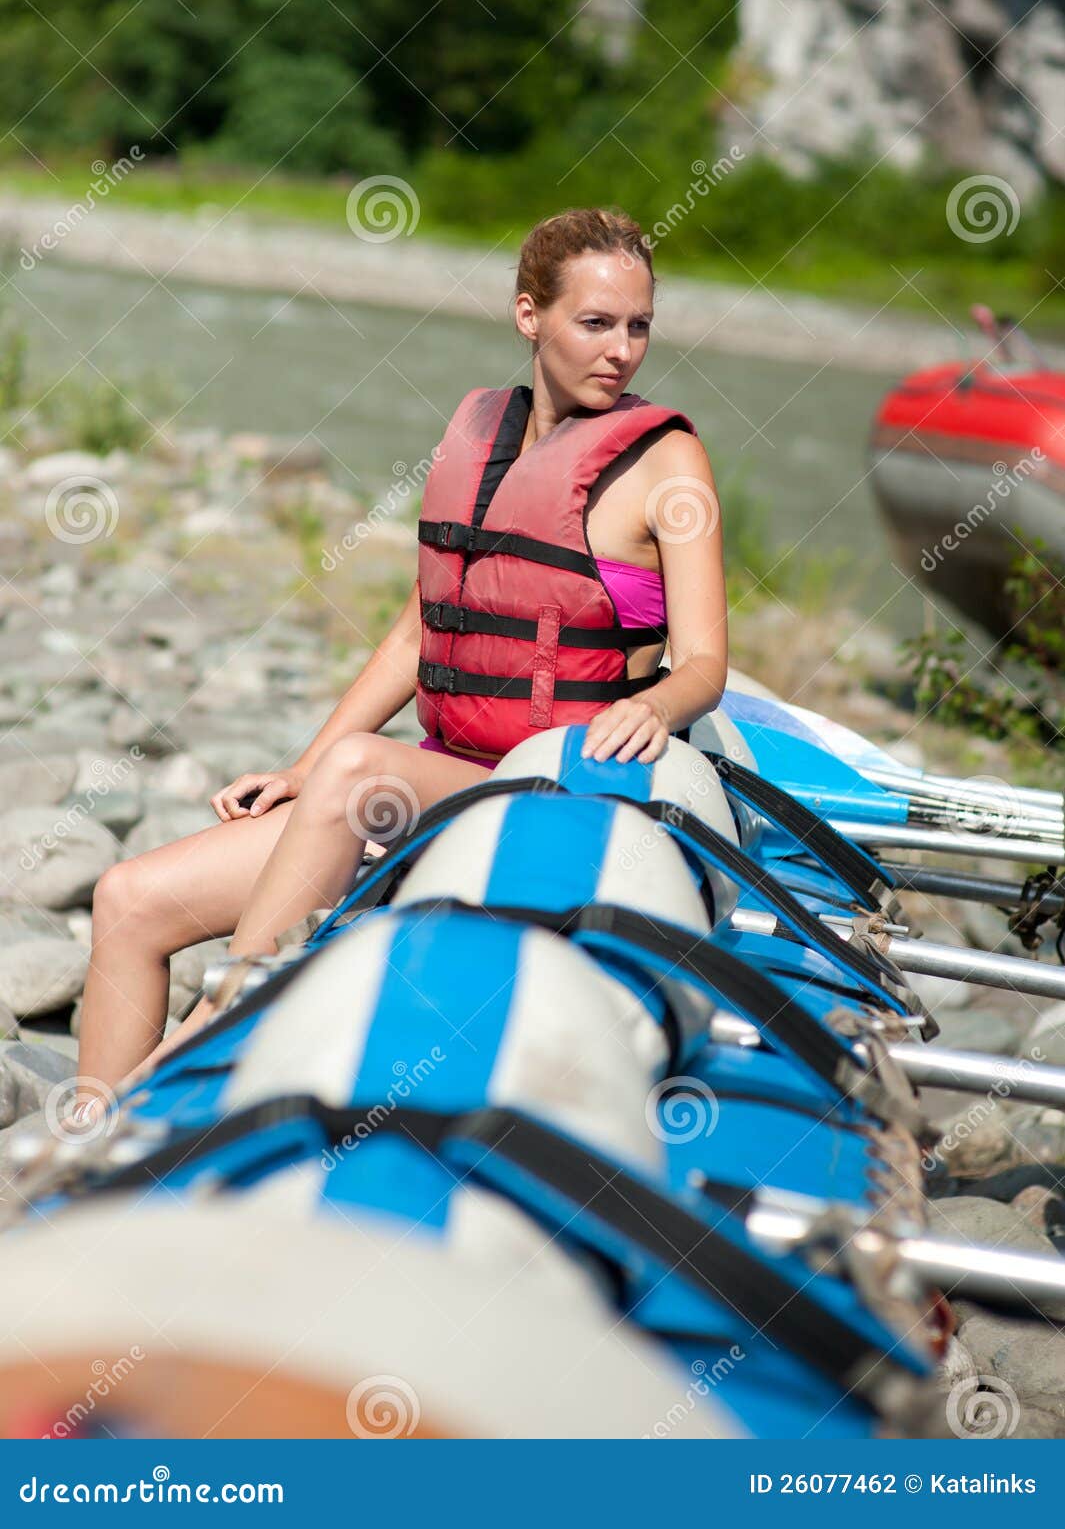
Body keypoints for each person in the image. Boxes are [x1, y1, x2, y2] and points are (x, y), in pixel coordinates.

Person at [73, 206, 728, 1115]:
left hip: (547, 792)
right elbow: (419, 635)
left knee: (352, 773)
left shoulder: (668, 464)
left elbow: (703, 665)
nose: (621, 351)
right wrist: (302, 770)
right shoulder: (477, 436)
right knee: (127, 898)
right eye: (595, 323)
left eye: (638, 326)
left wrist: (654, 708)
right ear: (528, 315)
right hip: (429, 780)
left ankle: (218, 1027)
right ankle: (84, 1141)